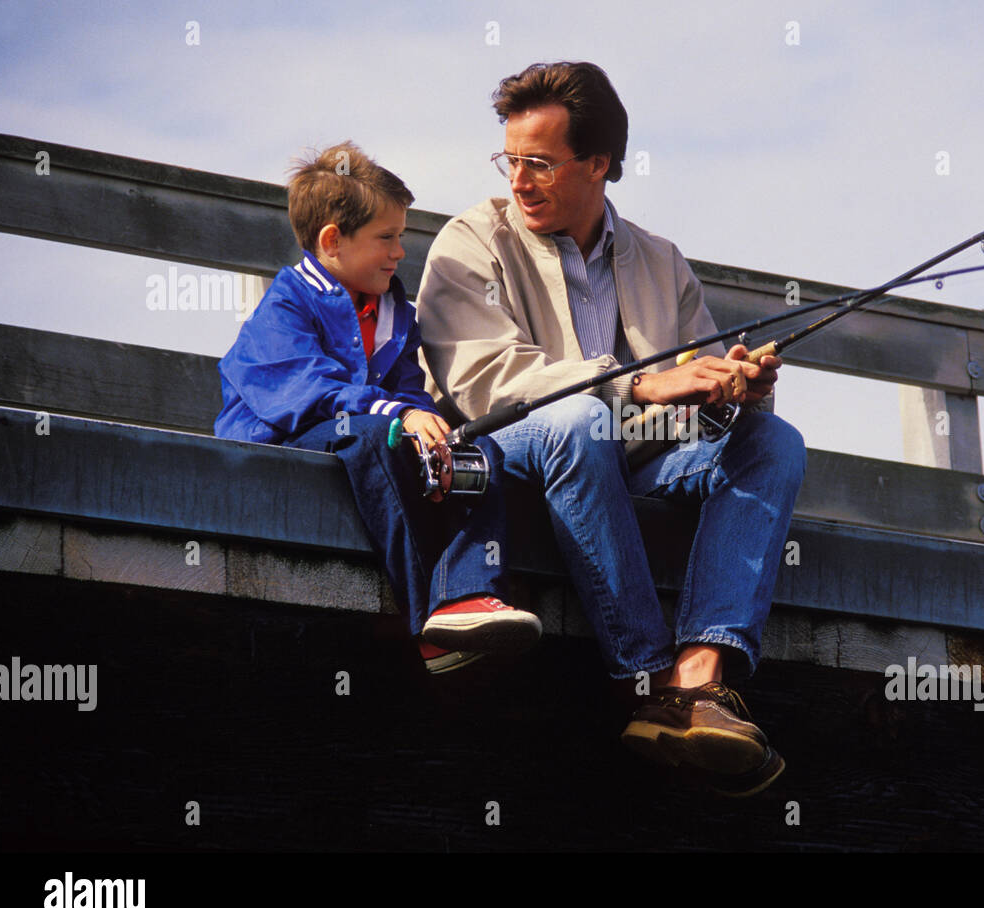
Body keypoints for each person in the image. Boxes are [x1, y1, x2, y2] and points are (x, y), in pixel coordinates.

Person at [417, 63, 806, 796]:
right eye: (510, 160)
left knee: (772, 442)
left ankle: (700, 675)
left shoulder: (662, 261)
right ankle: (647, 679)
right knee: (576, 418)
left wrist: (734, 392)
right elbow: (488, 383)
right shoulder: (469, 242)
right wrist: (639, 382)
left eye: (540, 162)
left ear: (598, 165)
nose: (519, 180)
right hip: (516, 448)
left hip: (632, 459)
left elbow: (700, 389)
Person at [215, 142, 540, 675]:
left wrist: (426, 429)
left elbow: (409, 389)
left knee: (476, 447)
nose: (399, 251)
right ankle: (428, 621)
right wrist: (396, 414)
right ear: (332, 241)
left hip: (369, 434)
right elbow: (307, 392)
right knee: (374, 436)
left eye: (402, 236)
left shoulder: (395, 311)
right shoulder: (287, 303)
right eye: (386, 238)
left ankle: (467, 592)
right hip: (287, 442)